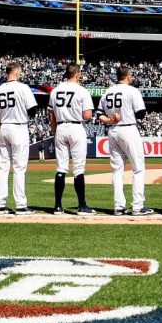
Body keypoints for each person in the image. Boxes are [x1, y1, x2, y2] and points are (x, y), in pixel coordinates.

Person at [98, 66, 152, 216]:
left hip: (113, 130)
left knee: (117, 170)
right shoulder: (132, 91)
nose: (132, 78)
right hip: (128, 129)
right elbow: (141, 113)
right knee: (138, 168)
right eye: (132, 76)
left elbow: (99, 115)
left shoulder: (107, 91)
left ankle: (119, 207)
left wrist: (110, 119)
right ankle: (137, 206)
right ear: (127, 77)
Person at [48, 63, 96, 214]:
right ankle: (82, 206)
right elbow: (87, 115)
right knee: (78, 169)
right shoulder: (82, 90)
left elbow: (51, 114)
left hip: (61, 127)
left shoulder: (55, 91)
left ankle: (57, 206)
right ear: (77, 74)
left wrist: (56, 131)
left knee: (61, 168)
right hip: (76, 127)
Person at [0, 62, 38, 215]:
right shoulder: (23, 88)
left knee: (3, 168)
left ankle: (0, 204)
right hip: (18, 127)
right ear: (16, 72)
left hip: (4, 127)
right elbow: (33, 110)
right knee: (19, 168)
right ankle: (21, 205)